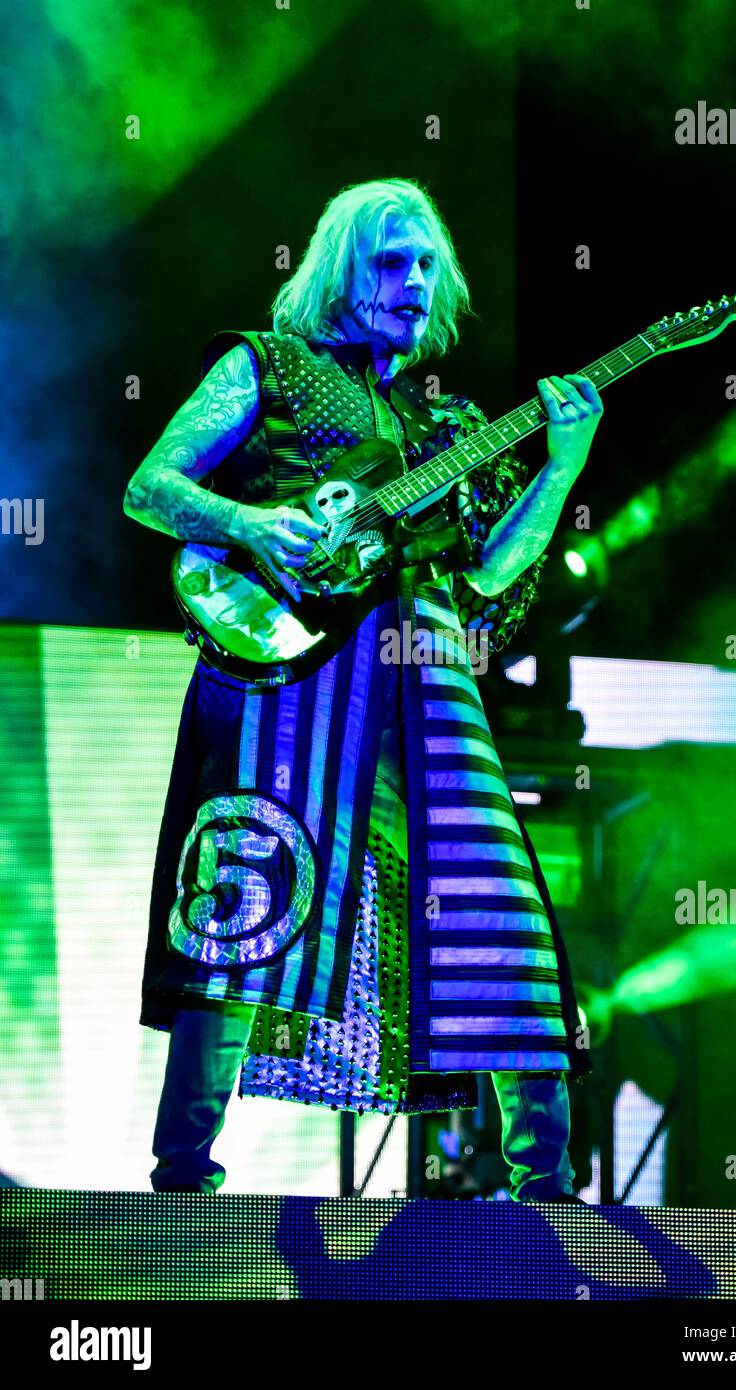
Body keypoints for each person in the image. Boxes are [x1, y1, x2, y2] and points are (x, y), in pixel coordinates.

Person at [125, 177, 603, 1201]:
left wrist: (562, 470)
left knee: (494, 900)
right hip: (291, 665)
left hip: (427, 666)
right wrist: (255, 526)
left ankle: (547, 1191)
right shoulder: (270, 366)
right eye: (393, 261)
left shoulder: (449, 420)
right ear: (342, 267)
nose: (414, 280)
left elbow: (483, 576)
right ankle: (180, 1185)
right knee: (251, 890)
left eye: (428, 264)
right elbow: (150, 486)